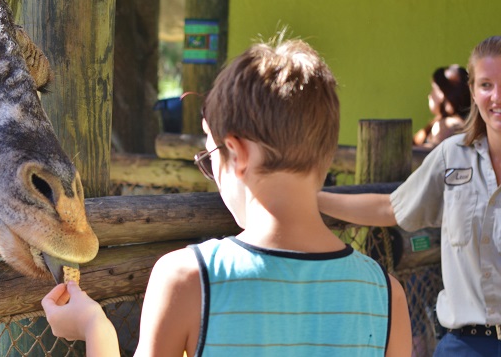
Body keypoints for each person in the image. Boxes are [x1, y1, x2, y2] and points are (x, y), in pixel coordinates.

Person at [42, 35, 412, 356]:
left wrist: (94, 327)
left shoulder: (189, 278)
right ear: (327, 153)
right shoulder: (386, 294)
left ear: (238, 154)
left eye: (209, 156)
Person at [319, 35, 501, 357]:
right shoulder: (452, 157)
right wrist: (312, 199)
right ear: (473, 92)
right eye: (486, 85)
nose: (496, 96)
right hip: (462, 345)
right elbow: (391, 207)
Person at [413, 64, 471, 148]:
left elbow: (433, 157)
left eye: (433, 89)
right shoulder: (458, 123)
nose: (429, 95)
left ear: (442, 94)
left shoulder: (447, 126)